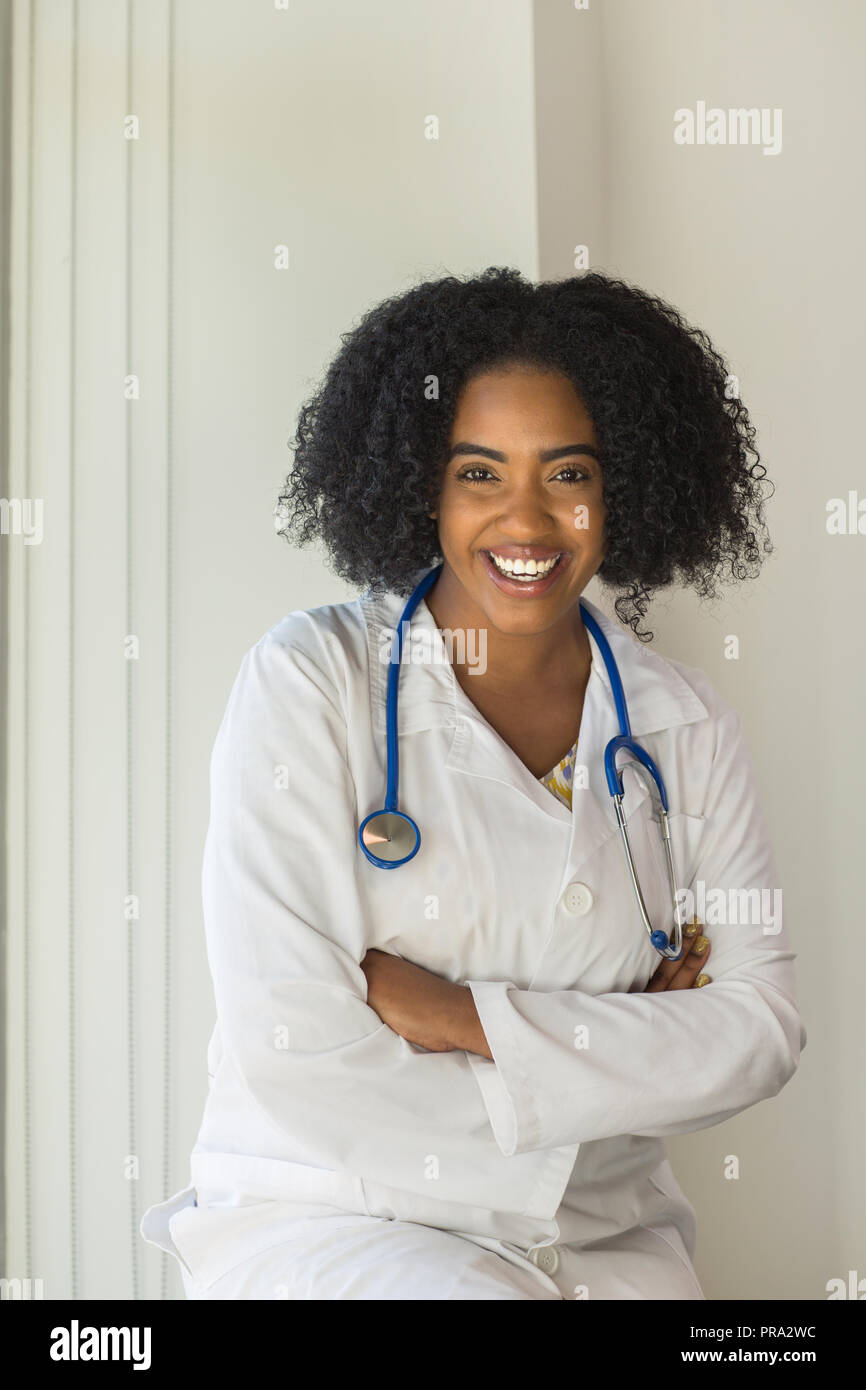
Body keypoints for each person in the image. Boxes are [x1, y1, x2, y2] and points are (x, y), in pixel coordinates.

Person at [140, 267, 805, 1300]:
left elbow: (757, 1030)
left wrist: (460, 1017)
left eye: (569, 473)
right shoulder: (312, 681)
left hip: (603, 1234)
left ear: (623, 482)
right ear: (419, 483)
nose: (527, 520)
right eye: (479, 474)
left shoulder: (681, 720)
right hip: (340, 1213)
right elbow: (296, 1046)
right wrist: (625, 1044)